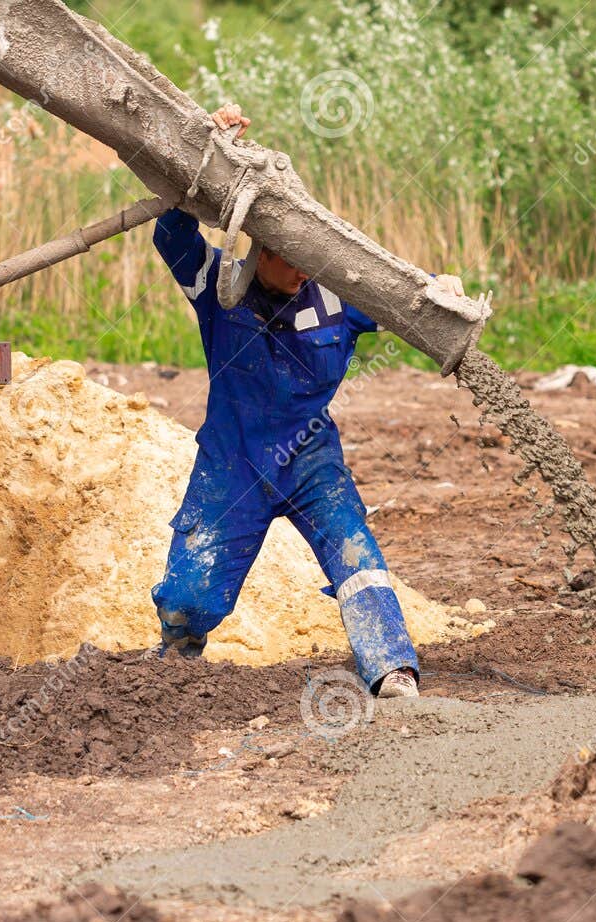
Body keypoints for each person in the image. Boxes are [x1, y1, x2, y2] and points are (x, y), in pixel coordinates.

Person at [150, 104, 465, 698]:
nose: (300, 271)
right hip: (232, 463)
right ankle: (175, 668)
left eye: (307, 258)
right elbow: (172, 231)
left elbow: (408, 303)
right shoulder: (218, 289)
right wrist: (203, 148)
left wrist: (438, 289)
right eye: (287, 256)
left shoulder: (339, 297)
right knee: (188, 596)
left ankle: (392, 669)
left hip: (310, 457)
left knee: (357, 557)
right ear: (259, 249)